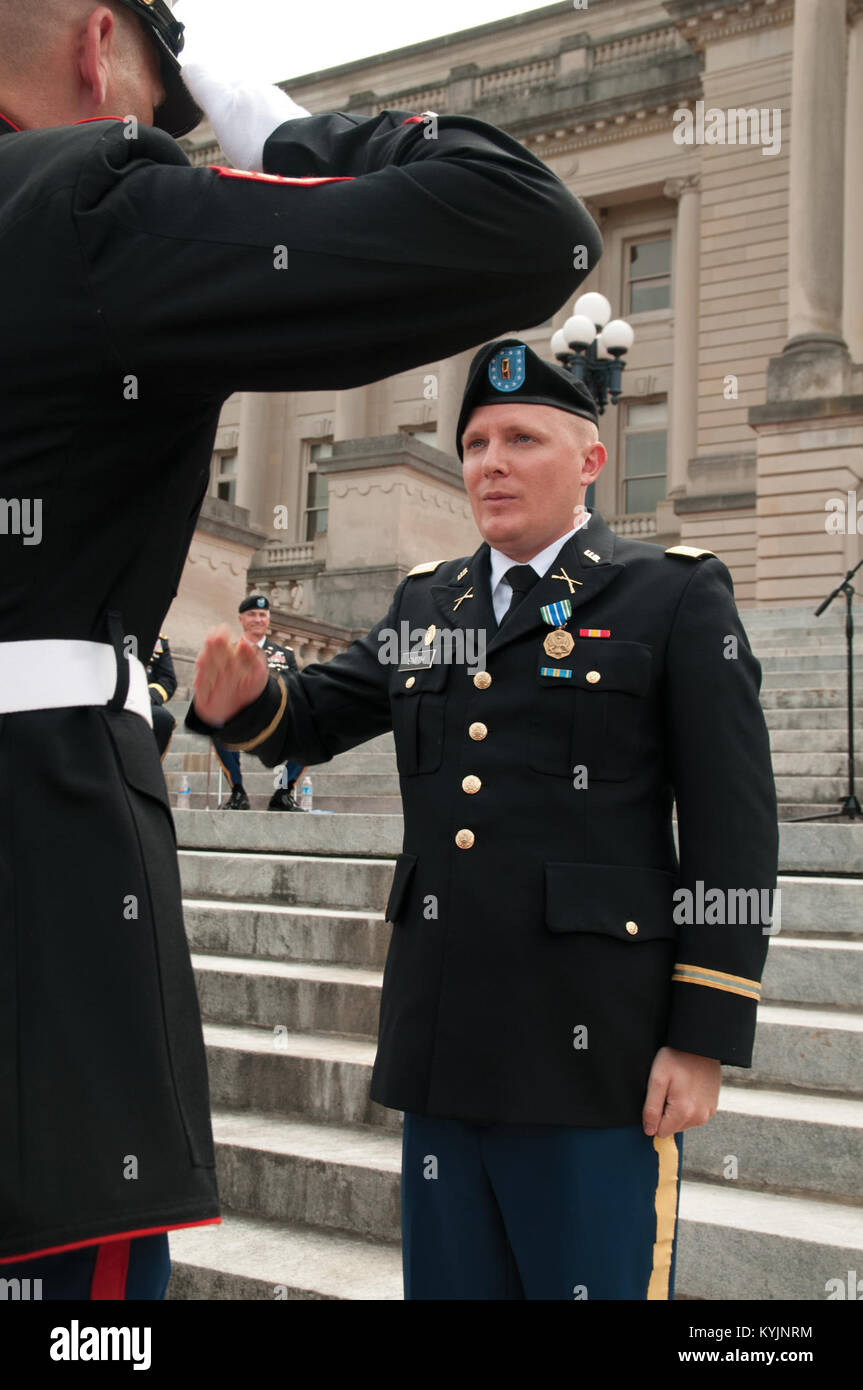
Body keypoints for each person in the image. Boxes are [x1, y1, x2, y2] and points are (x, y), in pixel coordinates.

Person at [0, 0, 600, 1299]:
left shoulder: (658, 595)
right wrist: (268, 124)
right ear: (101, 47)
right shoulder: (89, 198)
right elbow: (522, 216)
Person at [185, 339, 779, 1301]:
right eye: (472, 443)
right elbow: (316, 717)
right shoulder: (431, 603)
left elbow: (734, 829)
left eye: (520, 439)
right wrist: (243, 701)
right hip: (446, 1045)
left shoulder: (668, 594)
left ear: (590, 459)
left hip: (598, 1053)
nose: (488, 462)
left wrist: (702, 1032)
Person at [212, 594, 305, 810]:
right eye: (251, 614)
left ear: (268, 619)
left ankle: (283, 793)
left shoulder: (284, 655)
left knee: (309, 729)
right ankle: (238, 792)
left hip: (277, 722)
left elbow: (295, 691)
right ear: (241, 619)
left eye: (262, 615)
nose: (257, 619)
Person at [147, 631, 177, 758]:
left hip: (144, 700)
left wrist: (149, 696)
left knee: (162, 718)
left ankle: (149, 772)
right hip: (107, 697)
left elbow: (168, 680)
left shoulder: (157, 640)